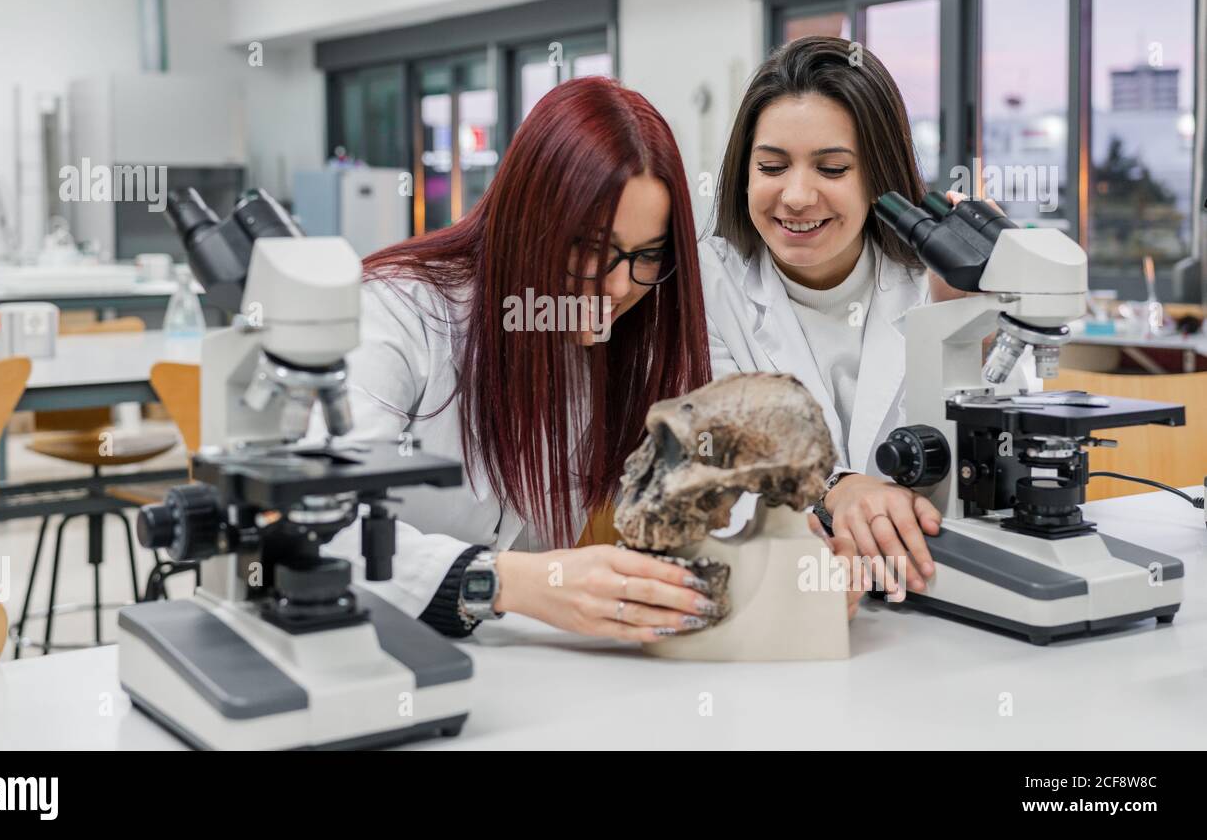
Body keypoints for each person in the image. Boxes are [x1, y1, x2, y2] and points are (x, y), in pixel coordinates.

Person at [324, 76, 723, 642]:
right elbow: (324, 525)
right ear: (529, 218)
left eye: (645, 255)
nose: (615, 288)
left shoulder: (630, 339)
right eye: (590, 247)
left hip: (526, 672)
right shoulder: (397, 312)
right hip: (371, 653)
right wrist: (508, 583)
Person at [702, 35, 992, 597]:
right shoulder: (709, 284)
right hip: (790, 595)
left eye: (832, 169)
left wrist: (969, 324)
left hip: (934, 580)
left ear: (880, 178)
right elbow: (714, 465)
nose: (796, 195)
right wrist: (832, 487)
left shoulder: (933, 281)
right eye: (771, 166)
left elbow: (1007, 445)